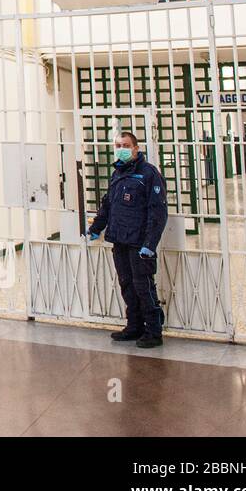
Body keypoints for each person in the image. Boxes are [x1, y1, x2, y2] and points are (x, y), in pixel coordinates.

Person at [87, 130, 168, 347]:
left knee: (143, 286)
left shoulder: (149, 174)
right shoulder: (118, 174)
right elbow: (108, 205)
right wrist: (96, 228)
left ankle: (153, 331)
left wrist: (150, 244)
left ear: (136, 148)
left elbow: (158, 212)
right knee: (127, 285)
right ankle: (134, 326)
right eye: (118, 145)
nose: (121, 149)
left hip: (139, 243)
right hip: (119, 240)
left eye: (125, 145)